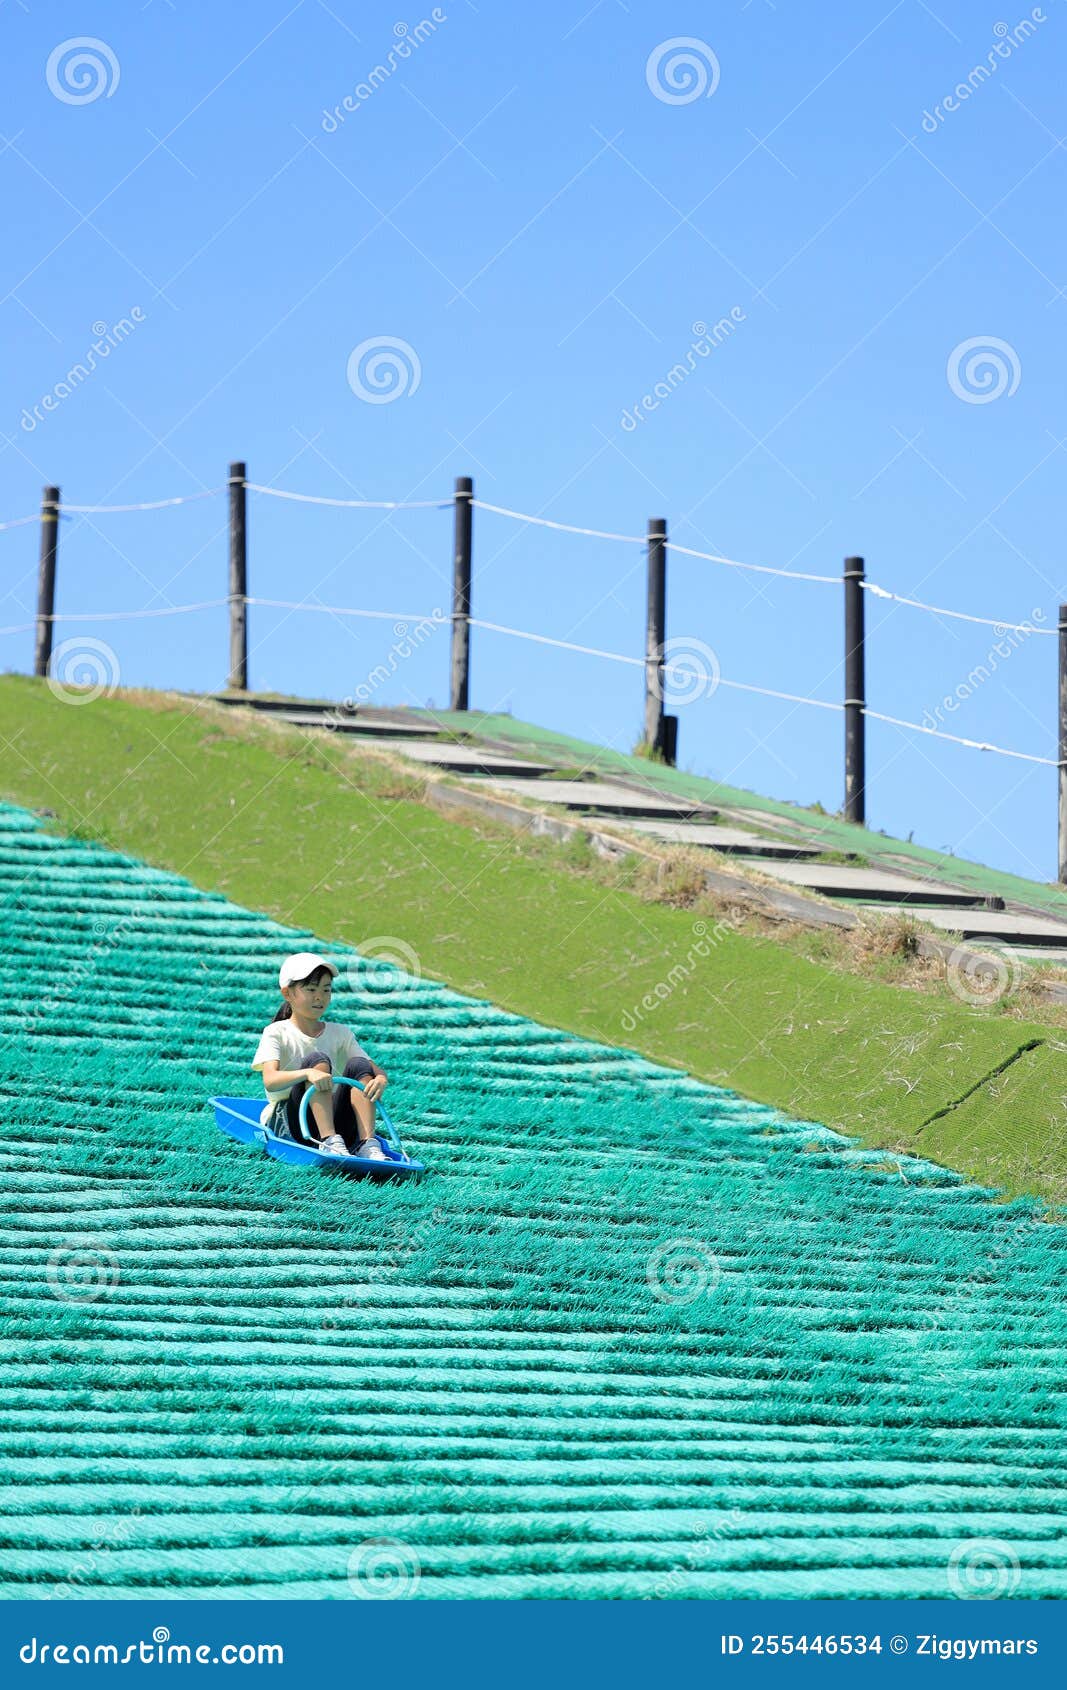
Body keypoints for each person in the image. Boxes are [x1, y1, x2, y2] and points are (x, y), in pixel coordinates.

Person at [252, 952, 388, 1160]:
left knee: (359, 1065)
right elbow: (270, 1081)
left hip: (336, 1122)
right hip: (292, 1123)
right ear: (288, 994)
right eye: (311, 989)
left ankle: (367, 1143)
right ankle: (328, 1141)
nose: (320, 997)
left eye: (326, 990)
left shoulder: (341, 1032)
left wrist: (380, 1079)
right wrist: (308, 1074)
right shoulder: (276, 1032)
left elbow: (371, 1069)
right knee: (317, 1060)